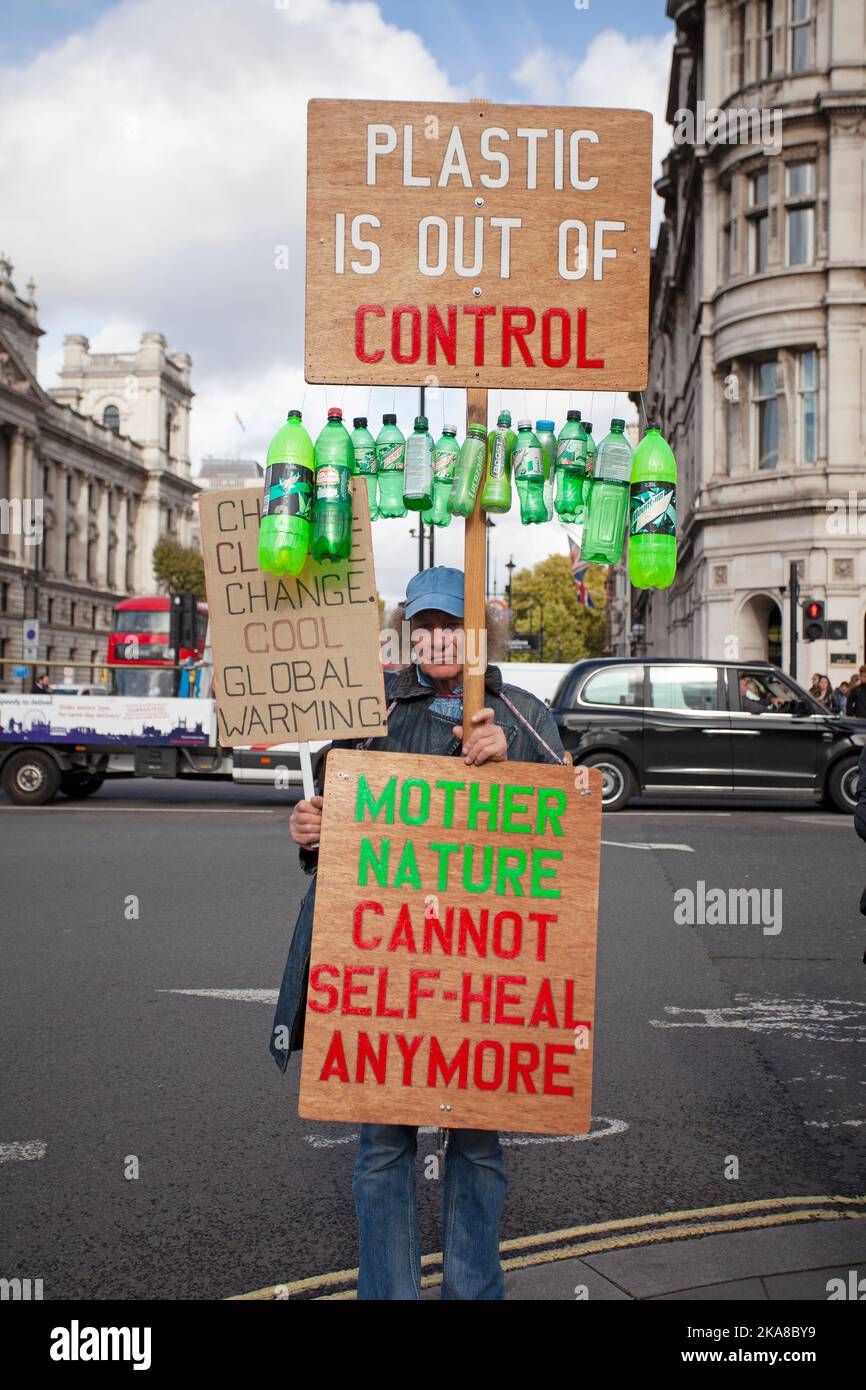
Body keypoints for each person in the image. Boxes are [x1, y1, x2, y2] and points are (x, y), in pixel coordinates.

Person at [269, 565, 568, 1301]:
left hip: (480, 978)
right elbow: (341, 848)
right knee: (381, 1146)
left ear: (477, 632)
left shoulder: (522, 713)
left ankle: (475, 1292)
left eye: (451, 624)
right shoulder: (366, 715)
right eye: (424, 625)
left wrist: (515, 767)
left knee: (476, 1146)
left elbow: (570, 834)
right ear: (409, 633)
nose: (438, 639)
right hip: (387, 972)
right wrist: (311, 830)